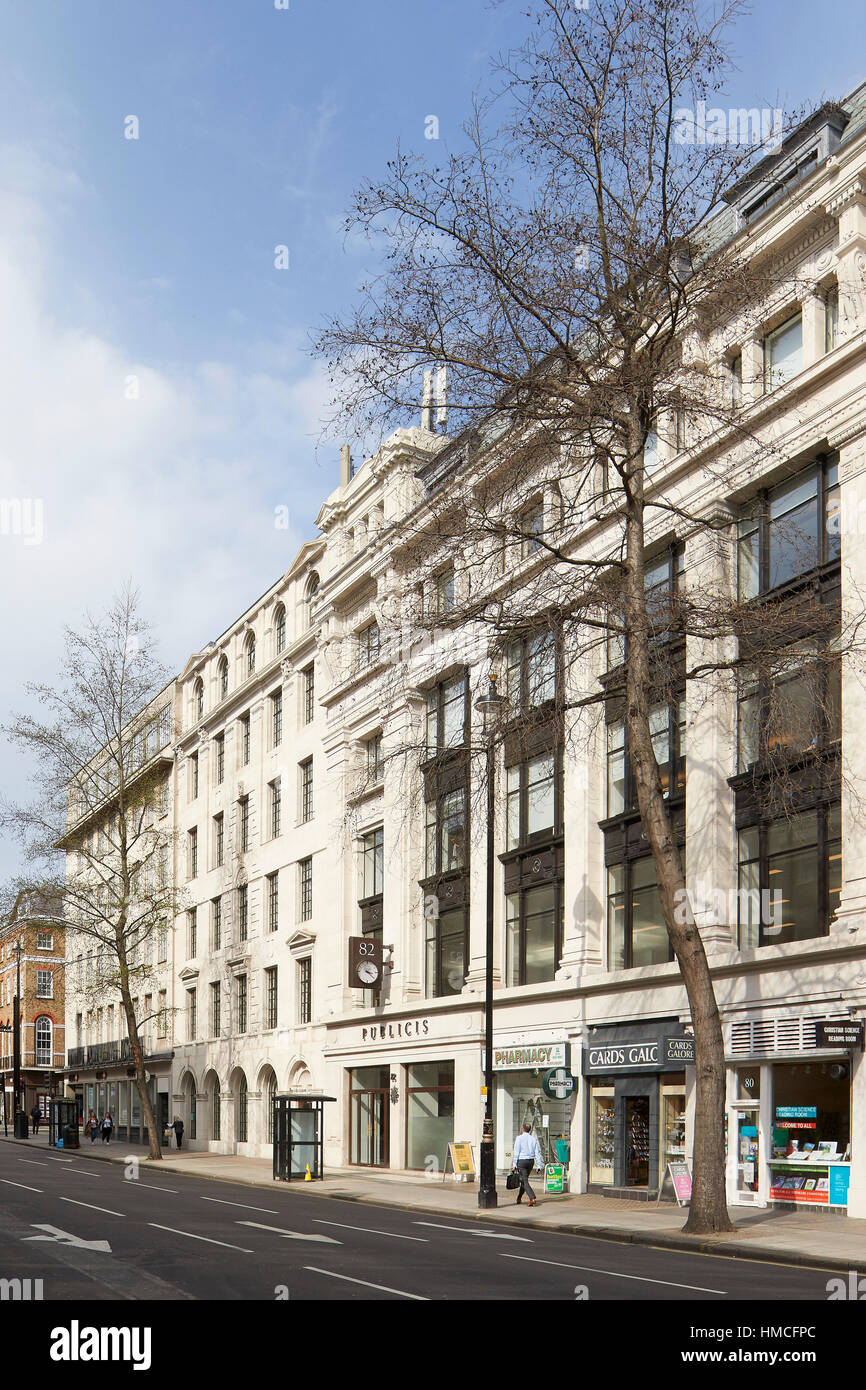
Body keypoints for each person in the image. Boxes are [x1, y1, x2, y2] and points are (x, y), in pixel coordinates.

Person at [512, 1122, 544, 1207]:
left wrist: (514, 1164)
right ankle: (519, 1197)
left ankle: (532, 1198)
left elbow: (516, 1152)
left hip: (521, 1162)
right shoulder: (534, 1139)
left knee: (524, 1181)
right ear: (529, 1130)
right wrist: (539, 1165)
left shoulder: (519, 1138)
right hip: (530, 1162)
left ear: (522, 1129)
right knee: (523, 1180)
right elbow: (538, 1152)